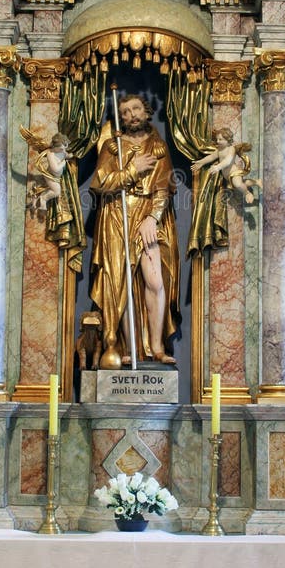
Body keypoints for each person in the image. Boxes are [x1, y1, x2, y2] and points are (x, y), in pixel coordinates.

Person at [90, 94, 180, 369]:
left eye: (136, 109)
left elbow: (164, 187)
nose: (131, 115)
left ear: (146, 111)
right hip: (117, 215)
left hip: (149, 215)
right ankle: (128, 347)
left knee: (154, 281)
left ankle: (157, 347)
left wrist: (153, 217)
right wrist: (131, 169)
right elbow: (101, 184)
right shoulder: (111, 146)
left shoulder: (158, 146)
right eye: (125, 111)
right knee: (122, 283)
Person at [191, 128, 262, 204]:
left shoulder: (231, 149)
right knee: (240, 184)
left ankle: (247, 193)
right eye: (217, 139)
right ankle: (257, 182)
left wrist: (218, 167)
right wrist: (201, 162)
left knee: (238, 184)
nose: (218, 141)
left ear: (227, 140)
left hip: (234, 172)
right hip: (227, 176)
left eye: (220, 139)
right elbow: (211, 157)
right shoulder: (219, 150)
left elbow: (228, 161)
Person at [27, 132, 72, 212]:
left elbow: (65, 154)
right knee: (57, 191)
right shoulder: (50, 154)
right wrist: (63, 163)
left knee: (51, 188)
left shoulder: (61, 151)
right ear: (55, 147)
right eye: (61, 149)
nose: (64, 150)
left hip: (57, 177)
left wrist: (69, 156)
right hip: (50, 175)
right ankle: (43, 199)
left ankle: (37, 196)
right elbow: (55, 169)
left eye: (65, 148)